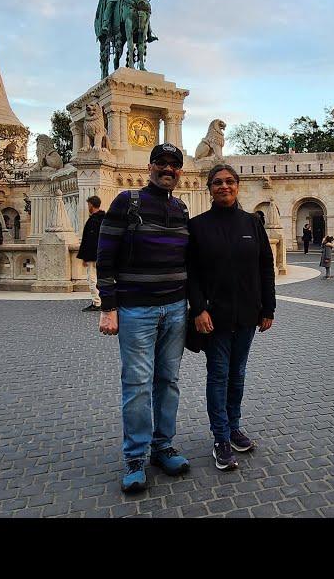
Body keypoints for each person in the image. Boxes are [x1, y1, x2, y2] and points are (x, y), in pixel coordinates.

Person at [96, 142, 192, 492]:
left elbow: (188, 261)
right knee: (137, 384)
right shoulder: (127, 202)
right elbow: (105, 256)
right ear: (150, 167)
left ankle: (162, 446)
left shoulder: (181, 208)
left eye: (175, 165)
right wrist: (108, 307)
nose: (168, 170)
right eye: (162, 163)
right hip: (136, 310)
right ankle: (135, 456)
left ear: (180, 171)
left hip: (175, 309)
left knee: (168, 380)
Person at [187, 163, 276, 472]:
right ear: (209, 188)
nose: (223, 186)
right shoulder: (197, 226)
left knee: (237, 374)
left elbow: (266, 266)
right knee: (219, 375)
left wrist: (268, 308)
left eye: (229, 182)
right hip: (215, 317)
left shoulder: (253, 223)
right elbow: (192, 273)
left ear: (238, 186)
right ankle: (221, 438)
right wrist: (198, 309)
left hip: (247, 315)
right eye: (217, 183)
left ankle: (234, 427)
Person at [77, 195, 105, 312]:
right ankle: (103, 300)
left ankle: (97, 302)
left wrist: (85, 256)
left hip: (93, 256)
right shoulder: (105, 218)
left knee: (92, 279)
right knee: (103, 279)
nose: (88, 207)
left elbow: (89, 241)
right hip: (104, 255)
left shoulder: (93, 220)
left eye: (88, 205)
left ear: (91, 205)